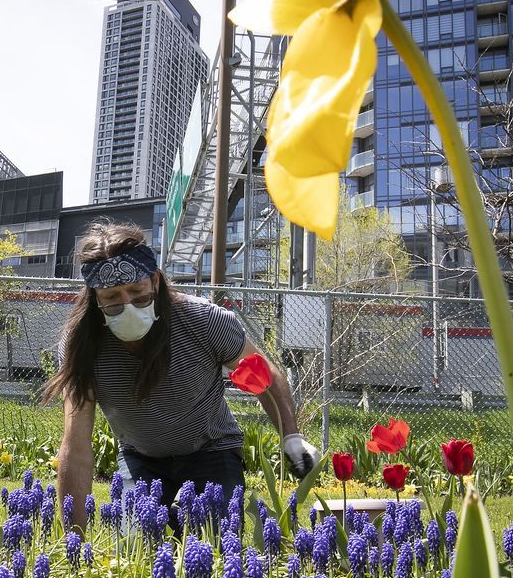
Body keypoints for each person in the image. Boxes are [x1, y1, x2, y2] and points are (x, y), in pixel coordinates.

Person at [44, 221, 320, 532]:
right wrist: (75, 542)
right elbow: (75, 442)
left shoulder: (203, 320)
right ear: (95, 298)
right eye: (112, 298)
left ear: (156, 282)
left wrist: (291, 436)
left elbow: (263, 371)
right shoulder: (81, 344)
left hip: (211, 451)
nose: (128, 306)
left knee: (213, 540)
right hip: (141, 458)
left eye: (137, 292)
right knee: (135, 547)